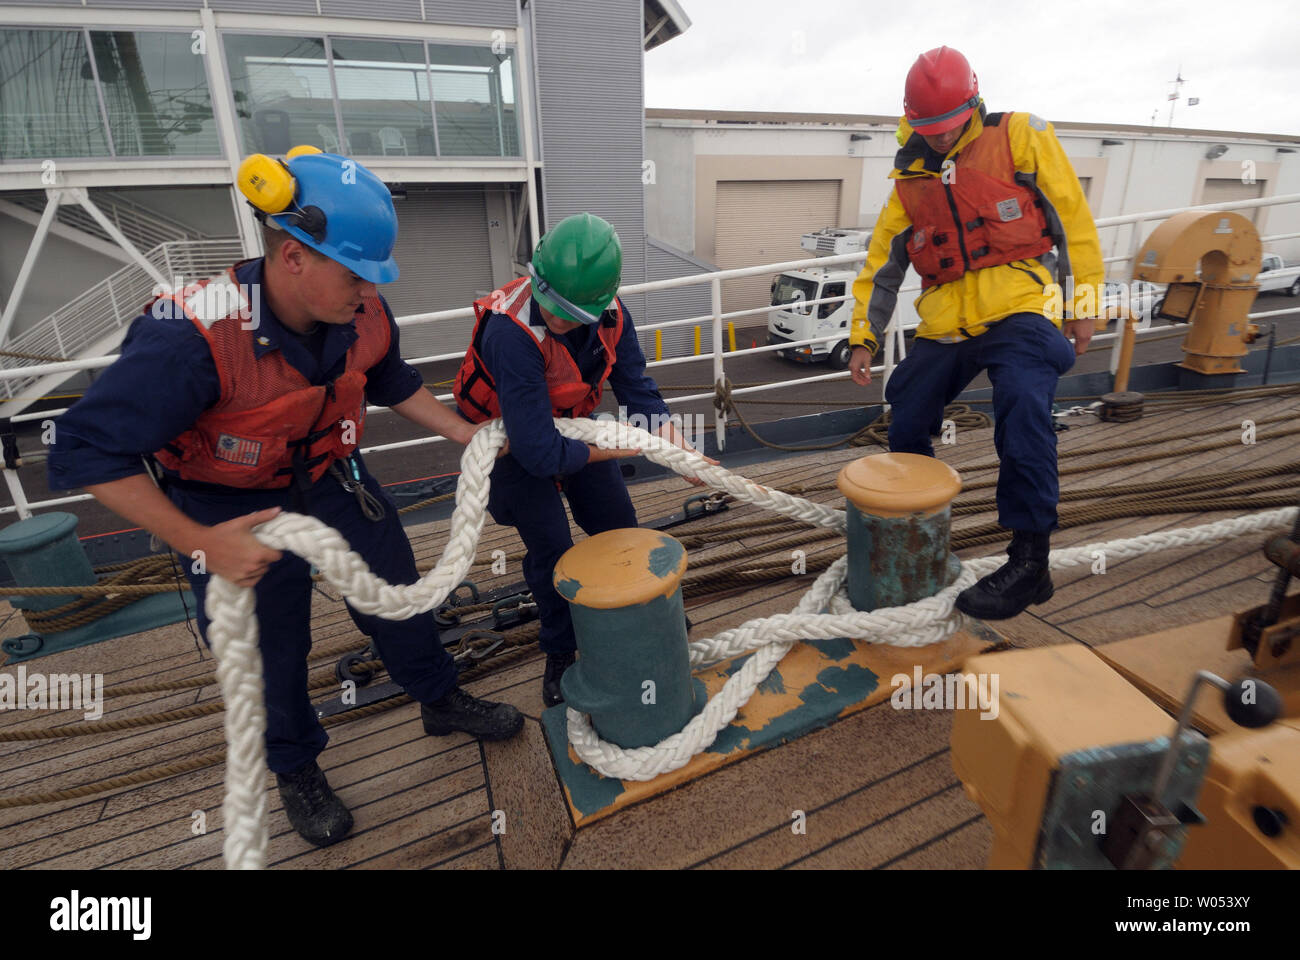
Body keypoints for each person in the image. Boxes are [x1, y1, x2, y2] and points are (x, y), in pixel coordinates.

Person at [47, 147, 523, 849]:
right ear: (293, 256)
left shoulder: (362, 312)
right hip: (224, 507)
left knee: (399, 596)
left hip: (334, 480)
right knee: (270, 652)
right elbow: (84, 451)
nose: (369, 290)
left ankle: (439, 696)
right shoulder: (193, 336)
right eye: (356, 273)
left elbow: (387, 377)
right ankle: (298, 767)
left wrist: (460, 429)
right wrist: (203, 542)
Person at [847, 46, 1103, 620]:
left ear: (974, 103)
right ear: (911, 121)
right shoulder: (907, 182)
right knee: (908, 405)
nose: (940, 138)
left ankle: (1030, 559)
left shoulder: (1023, 136)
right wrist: (863, 335)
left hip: (1020, 306)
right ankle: (915, 531)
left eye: (950, 126)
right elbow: (878, 268)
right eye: (928, 128)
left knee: (1022, 400)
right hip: (946, 322)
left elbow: (1074, 224)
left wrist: (1084, 304)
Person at [453, 212, 713, 706]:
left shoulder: (614, 317)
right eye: (548, 302)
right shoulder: (512, 334)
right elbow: (538, 450)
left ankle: (643, 608)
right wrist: (622, 447)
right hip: (515, 442)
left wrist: (677, 449)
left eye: (569, 311)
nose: (555, 317)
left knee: (619, 525)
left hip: (577, 428)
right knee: (551, 549)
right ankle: (561, 648)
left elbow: (638, 390)